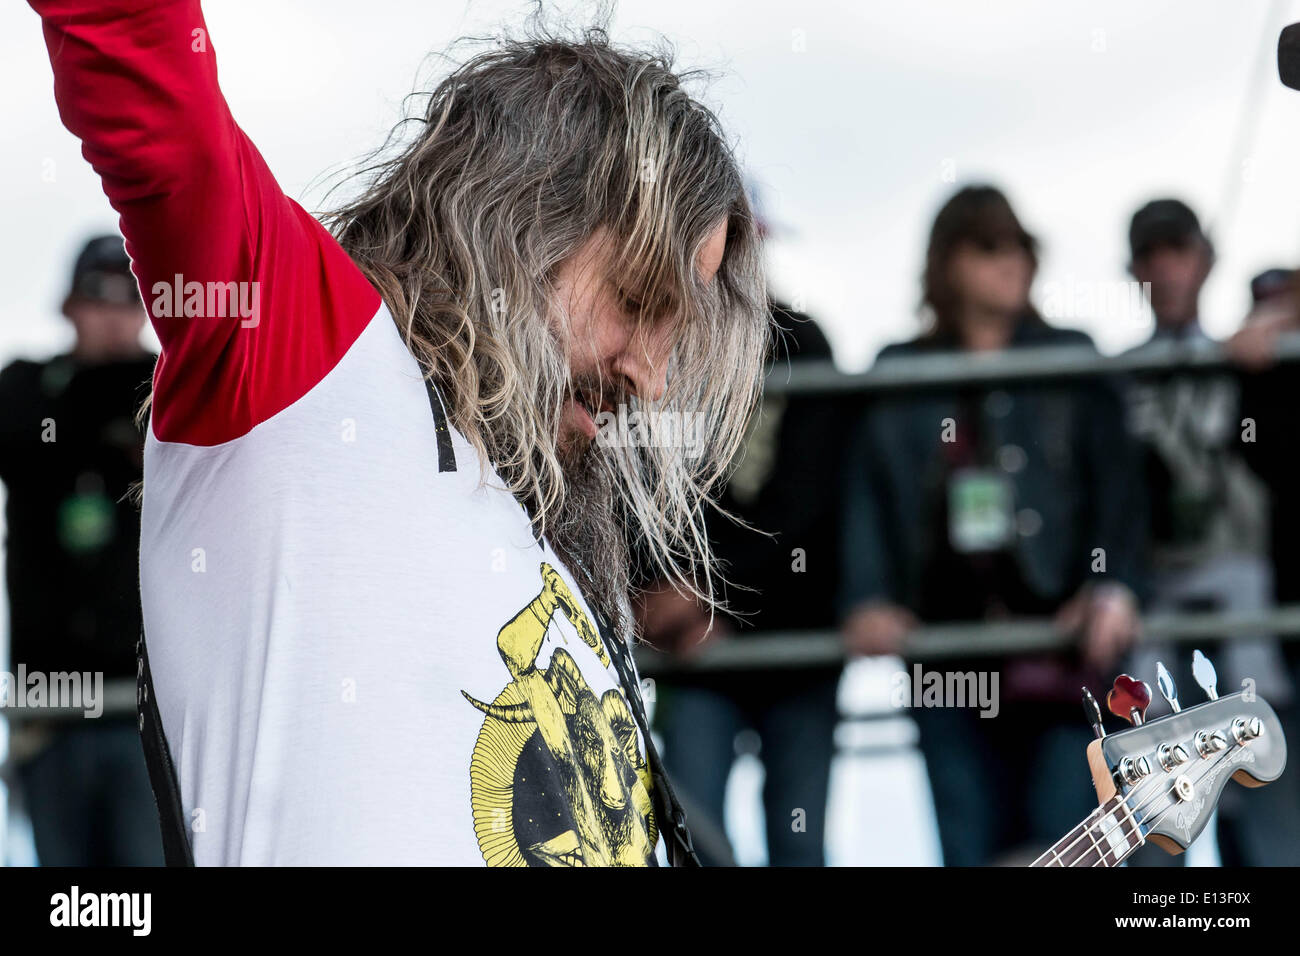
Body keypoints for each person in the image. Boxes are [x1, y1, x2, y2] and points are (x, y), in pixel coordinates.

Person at [30, 0, 770, 866]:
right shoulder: (307, 352)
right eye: (639, 299)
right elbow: (135, 53)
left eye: (675, 331)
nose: (653, 374)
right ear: (522, 219)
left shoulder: (543, 536)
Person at [839, 185, 1145, 866]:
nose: (1012, 262)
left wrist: (1113, 586)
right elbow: (867, 494)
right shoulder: (900, 370)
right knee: (969, 847)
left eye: (1021, 247)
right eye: (989, 246)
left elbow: (1119, 489)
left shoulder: (1072, 357)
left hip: (1065, 650)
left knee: (1064, 850)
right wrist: (867, 600)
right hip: (947, 656)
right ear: (948, 263)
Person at [639, 299, 846, 866]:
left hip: (788, 640)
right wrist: (665, 601)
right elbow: (631, 492)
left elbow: (810, 506)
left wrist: (702, 598)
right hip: (697, 647)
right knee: (695, 837)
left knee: (795, 841)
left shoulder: (800, 342)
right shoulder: (655, 333)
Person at [1120, 201, 1295, 866]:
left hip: (1244, 606)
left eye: (1179, 250)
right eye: (1150, 255)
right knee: (1159, 837)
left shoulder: (1250, 351)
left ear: (1207, 259)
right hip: (1158, 606)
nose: (1166, 268)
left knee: (1267, 823)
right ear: (1132, 269)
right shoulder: (1116, 374)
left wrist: (1270, 331)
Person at [0, 235, 162, 865]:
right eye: (99, 298)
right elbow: (34, 423)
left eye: (133, 299)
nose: (115, 314)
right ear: (69, 306)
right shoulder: (26, 392)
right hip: (51, 718)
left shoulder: (166, 393)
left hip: (148, 719)